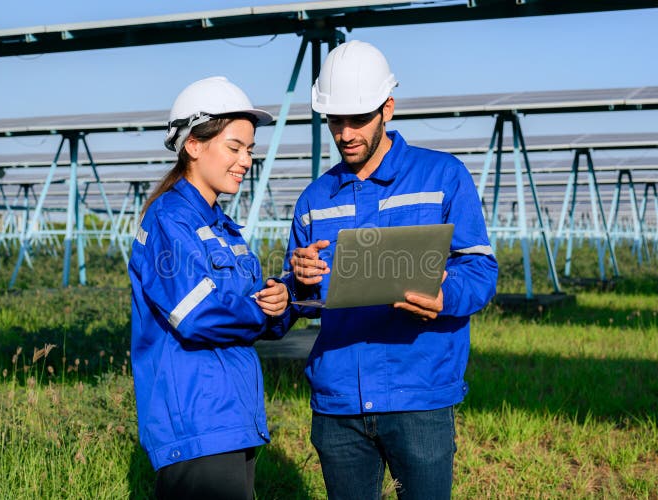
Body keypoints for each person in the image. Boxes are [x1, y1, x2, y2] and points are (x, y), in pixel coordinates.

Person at [283, 41, 499, 499]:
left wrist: (446, 298)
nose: (345, 133)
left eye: (358, 118)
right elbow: (300, 302)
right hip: (338, 399)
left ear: (388, 109)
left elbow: (479, 269)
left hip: (418, 394)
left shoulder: (442, 177)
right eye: (335, 120)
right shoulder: (314, 200)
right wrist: (296, 282)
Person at [129, 76, 291, 500]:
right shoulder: (170, 221)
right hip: (197, 424)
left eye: (250, 150)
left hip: (231, 418)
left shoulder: (224, 229)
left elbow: (253, 309)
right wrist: (261, 311)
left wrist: (286, 297)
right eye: (234, 147)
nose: (246, 160)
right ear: (194, 145)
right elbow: (196, 313)